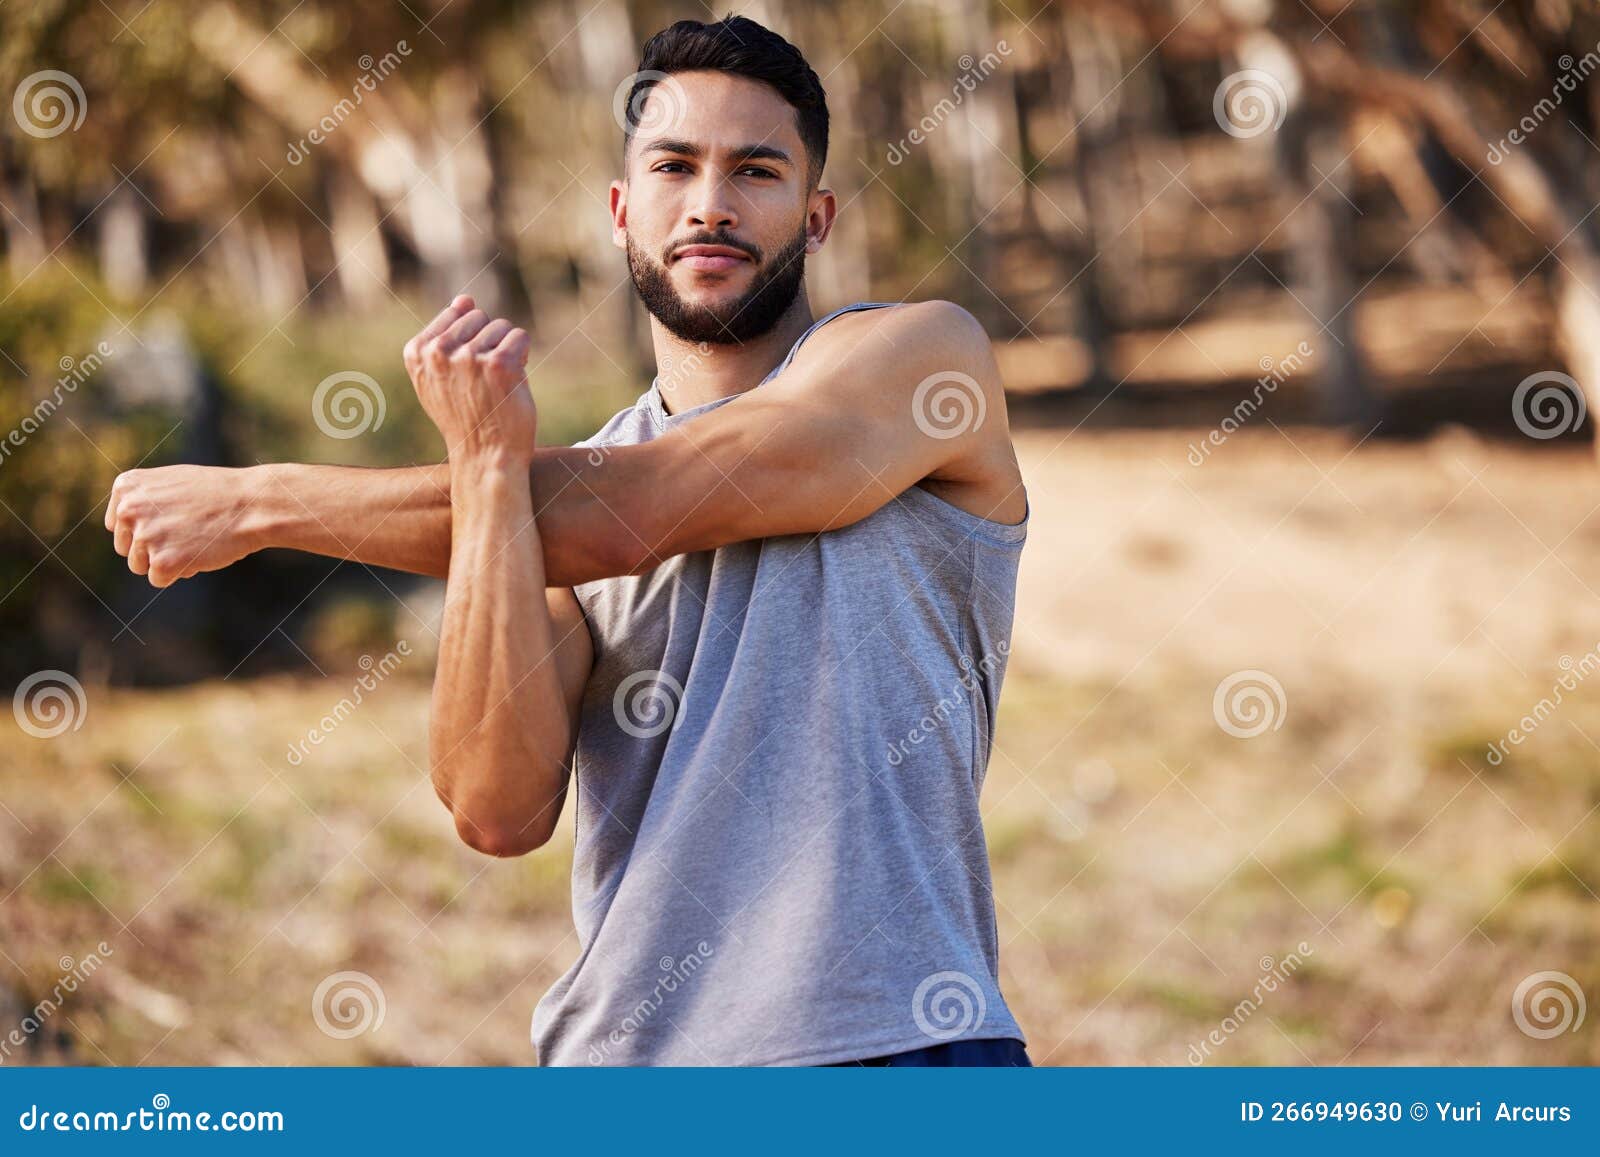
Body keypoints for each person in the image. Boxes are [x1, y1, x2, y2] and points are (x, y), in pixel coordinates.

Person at [105, 16, 1032, 1067]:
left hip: (903, 1045)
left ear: (815, 219)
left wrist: (264, 501)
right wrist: (490, 478)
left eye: (756, 171)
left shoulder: (922, 365)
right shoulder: (532, 505)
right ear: (621, 209)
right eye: (674, 166)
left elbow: (647, 505)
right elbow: (495, 809)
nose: (711, 203)